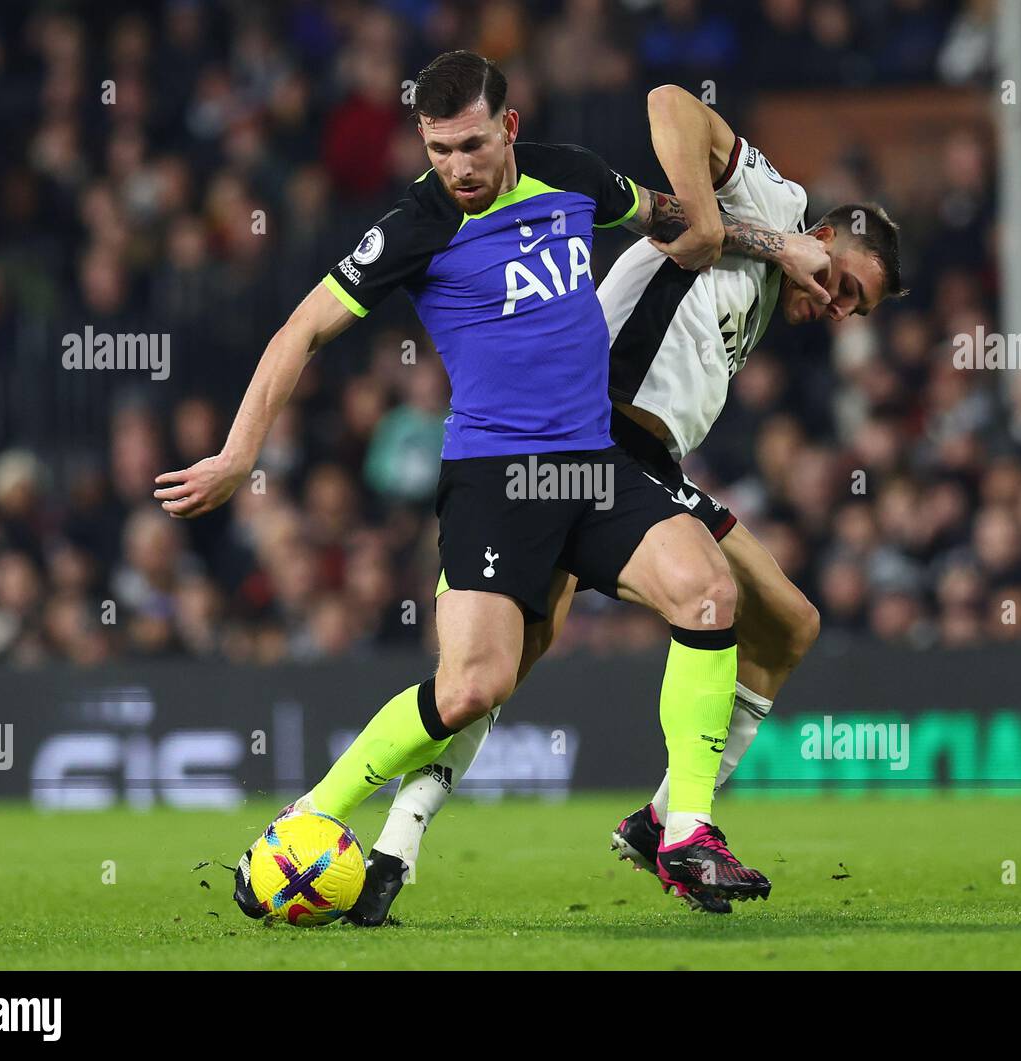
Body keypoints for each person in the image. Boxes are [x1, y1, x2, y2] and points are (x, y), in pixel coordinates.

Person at [153, 53, 818, 917]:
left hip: (593, 464)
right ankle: (313, 810)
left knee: (706, 592)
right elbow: (300, 330)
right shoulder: (414, 225)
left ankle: (686, 827)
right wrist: (241, 455)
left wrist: (782, 246)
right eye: (437, 149)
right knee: (474, 685)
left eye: (469, 145)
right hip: (497, 478)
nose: (456, 168)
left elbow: (679, 220)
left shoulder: (572, 176)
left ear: (506, 128)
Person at [357, 84, 906, 922]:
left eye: (853, 307)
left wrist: (756, 251)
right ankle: (405, 836)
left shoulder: (769, 274)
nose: (835, 305)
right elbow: (671, 103)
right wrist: (706, 212)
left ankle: (660, 820)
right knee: (506, 661)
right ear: (821, 235)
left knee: (784, 623)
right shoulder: (772, 200)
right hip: (591, 425)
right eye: (842, 282)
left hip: (647, 454)